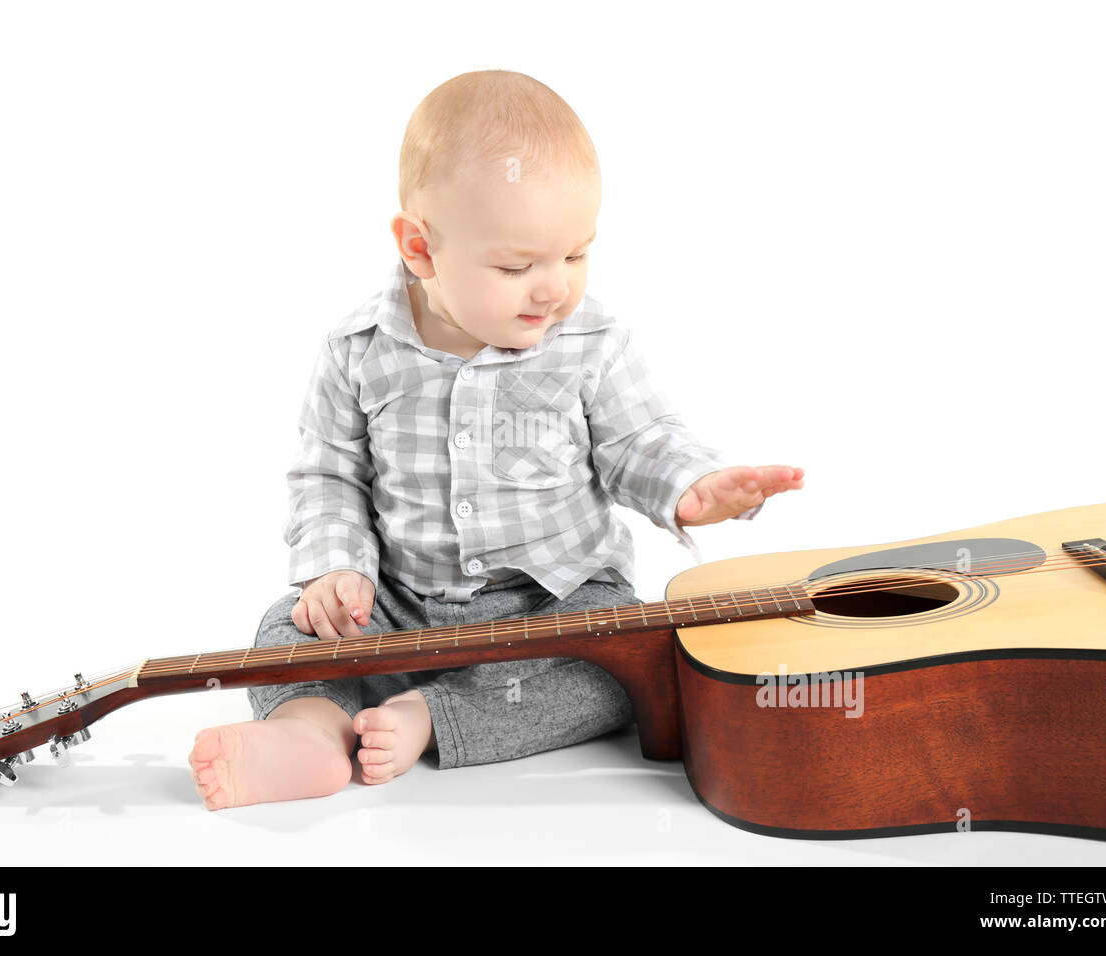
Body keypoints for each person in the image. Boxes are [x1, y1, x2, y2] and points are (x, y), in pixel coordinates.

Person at [188, 69, 804, 810]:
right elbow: (329, 477)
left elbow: (637, 439)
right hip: (397, 608)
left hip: (550, 608)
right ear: (420, 248)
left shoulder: (592, 342)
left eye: (575, 255)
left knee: (624, 667)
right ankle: (310, 731)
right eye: (517, 267)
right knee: (284, 627)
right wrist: (335, 571)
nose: (554, 289)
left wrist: (693, 487)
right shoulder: (359, 350)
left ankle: (430, 717)